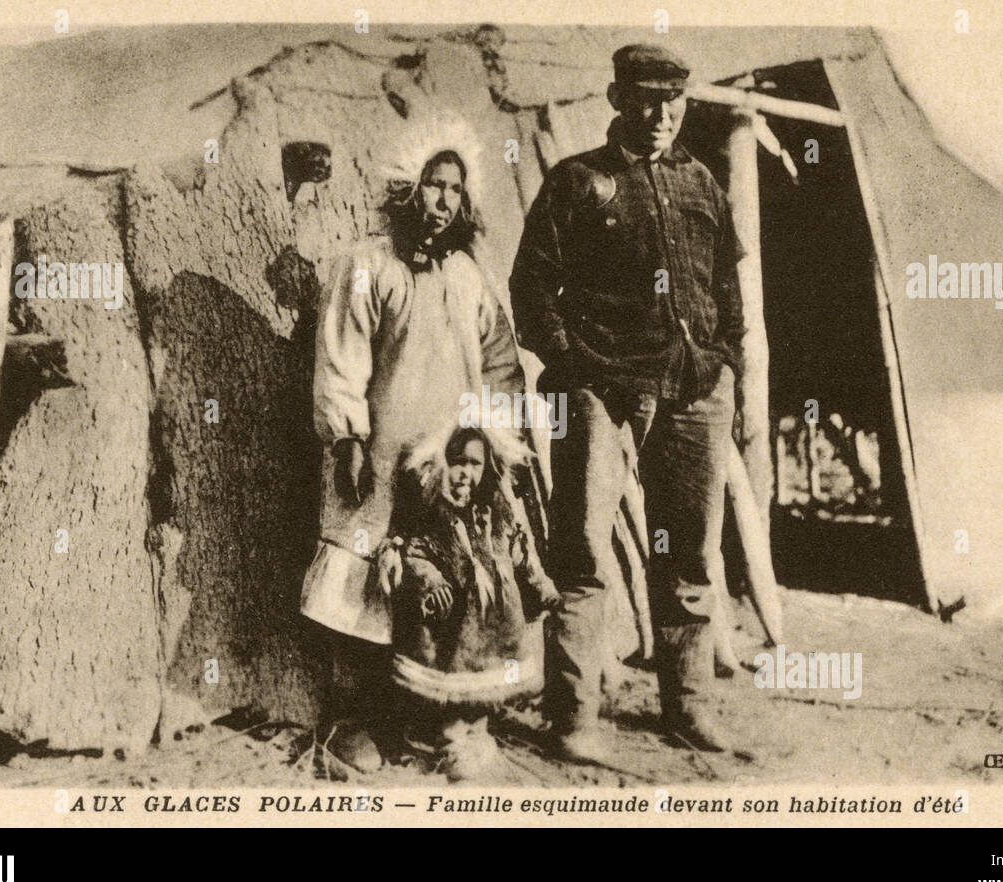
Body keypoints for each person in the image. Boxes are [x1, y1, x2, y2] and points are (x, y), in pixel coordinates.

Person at [509, 43, 747, 762]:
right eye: (645, 99)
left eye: (673, 100)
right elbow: (530, 292)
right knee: (581, 553)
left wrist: (724, 362)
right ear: (617, 100)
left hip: (693, 392)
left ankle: (690, 707)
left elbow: (727, 294)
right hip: (600, 394)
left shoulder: (702, 182)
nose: (660, 114)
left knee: (691, 556)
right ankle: (574, 719)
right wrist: (579, 368)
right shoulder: (577, 180)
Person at [301, 116, 524, 773]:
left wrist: (502, 445)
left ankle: (449, 727)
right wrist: (346, 438)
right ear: (408, 189)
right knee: (366, 589)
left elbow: (502, 366)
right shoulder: (367, 266)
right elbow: (341, 357)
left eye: (456, 189)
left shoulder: (469, 279)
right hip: (380, 460)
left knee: (451, 583)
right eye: (434, 184)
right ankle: (352, 724)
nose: (445, 200)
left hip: (448, 469)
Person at [378, 424, 559, 781]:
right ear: (441, 464)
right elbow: (415, 553)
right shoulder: (432, 515)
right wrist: (431, 582)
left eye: (475, 464)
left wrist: (539, 584)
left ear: (489, 468)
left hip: (493, 626)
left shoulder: (497, 513)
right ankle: (450, 743)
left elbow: (521, 553)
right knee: (453, 686)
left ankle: (477, 735)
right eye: (457, 462)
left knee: (483, 688)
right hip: (453, 627)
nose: (466, 474)